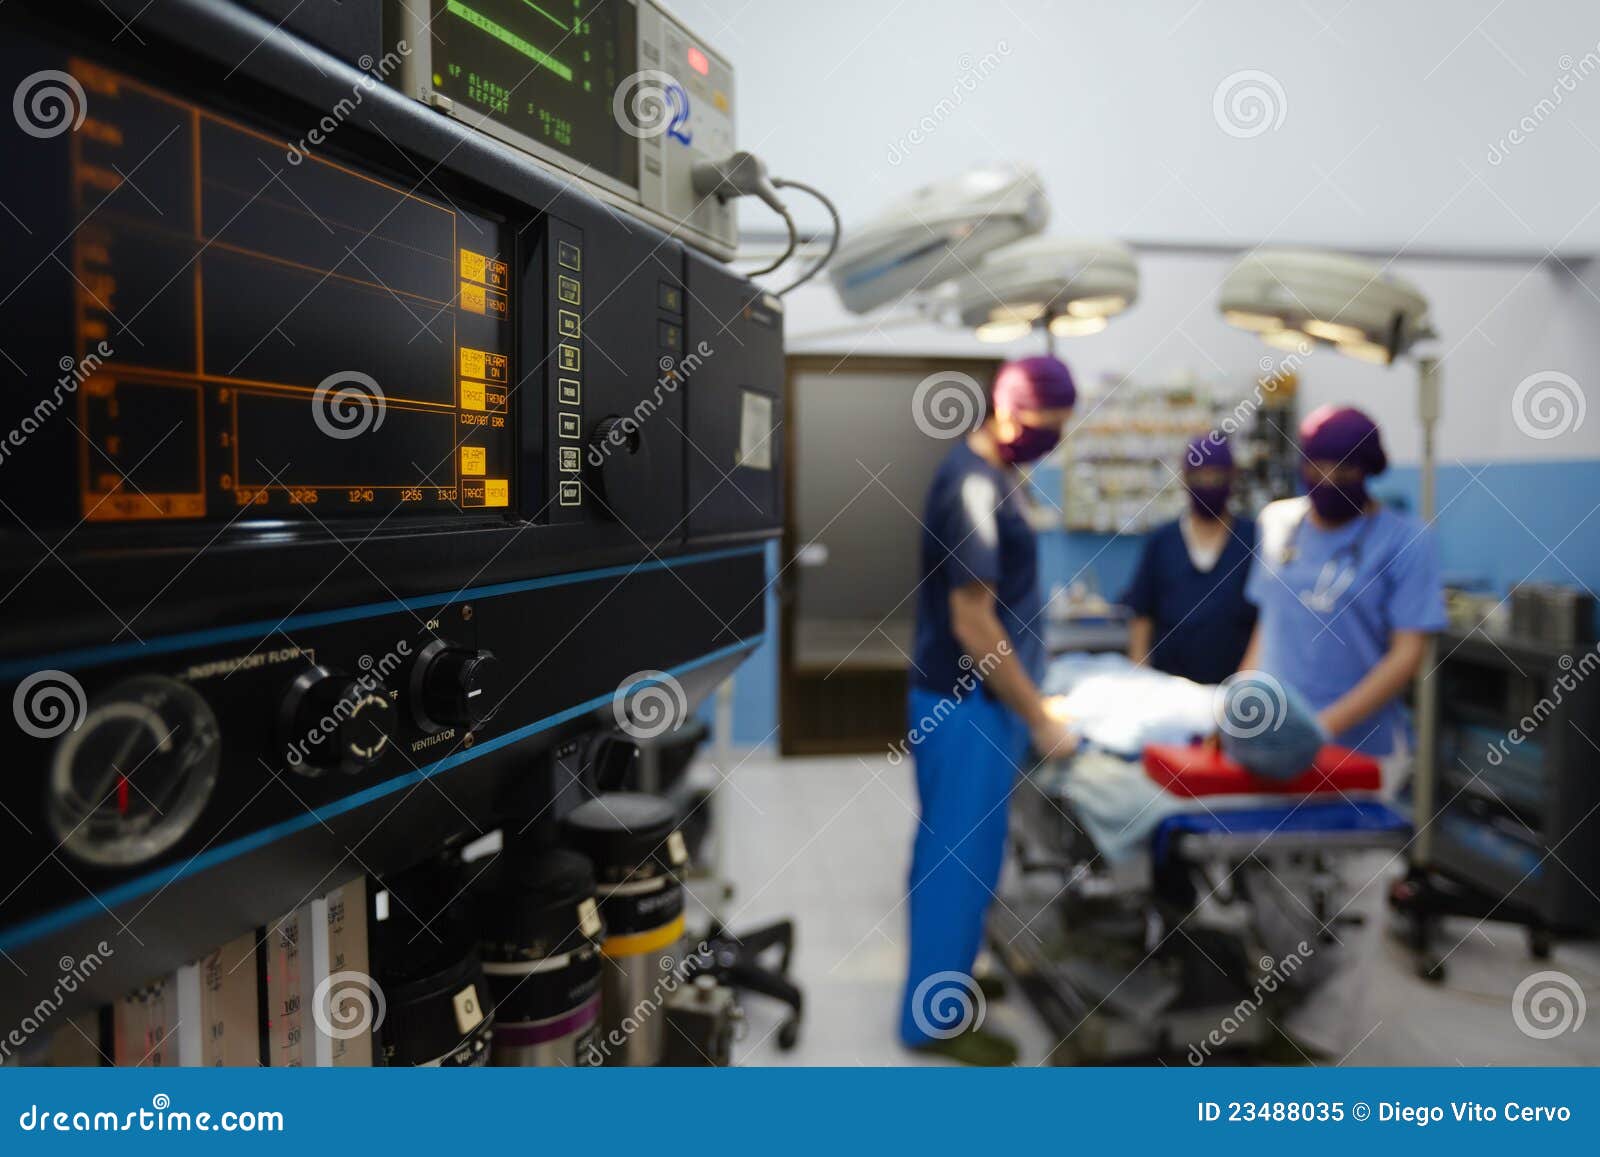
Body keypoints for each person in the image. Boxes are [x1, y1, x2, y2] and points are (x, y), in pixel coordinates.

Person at [899, 356, 1078, 1066]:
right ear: (1008, 412)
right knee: (955, 862)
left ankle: (953, 980)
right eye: (1046, 427)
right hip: (965, 701)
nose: (1051, 440)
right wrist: (1039, 715)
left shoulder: (993, 475)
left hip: (979, 701)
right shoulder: (974, 487)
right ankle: (930, 1022)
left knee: (969, 859)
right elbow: (974, 621)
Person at [1241, 404, 1446, 776]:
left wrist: (1320, 730)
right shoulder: (1278, 523)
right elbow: (1267, 626)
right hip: (1269, 737)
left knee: (1343, 831)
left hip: (1362, 747)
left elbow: (1408, 654)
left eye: (1344, 468)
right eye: (1315, 466)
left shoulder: (1406, 540)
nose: (1327, 479)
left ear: (1369, 470)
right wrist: (1237, 707)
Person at [1122, 436, 1257, 684]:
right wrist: (1138, 681)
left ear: (1232, 476)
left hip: (1236, 694)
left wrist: (1246, 689)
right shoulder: (1162, 542)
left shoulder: (1253, 540)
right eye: (1199, 478)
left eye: (1216, 477)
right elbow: (1141, 615)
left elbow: (1267, 620)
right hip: (1168, 693)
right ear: (1184, 478)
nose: (1208, 485)